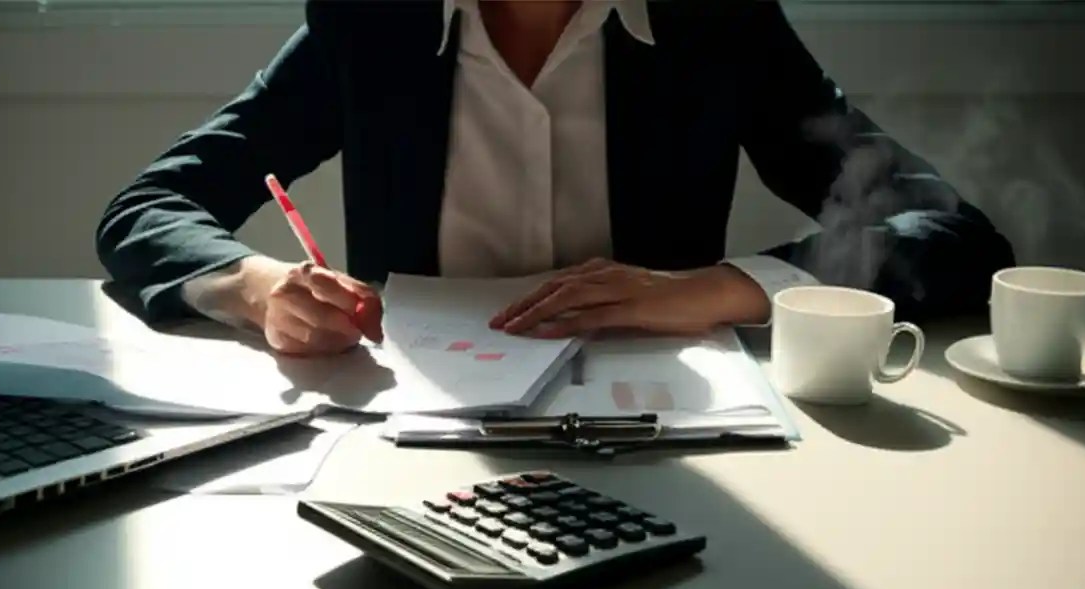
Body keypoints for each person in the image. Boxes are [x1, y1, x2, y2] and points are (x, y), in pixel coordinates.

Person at [96, 0, 1014, 356]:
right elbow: (152, 206)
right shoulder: (373, 19)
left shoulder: (716, 22)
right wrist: (261, 290)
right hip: (414, 458)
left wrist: (721, 289)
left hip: (673, 449)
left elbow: (952, 231)